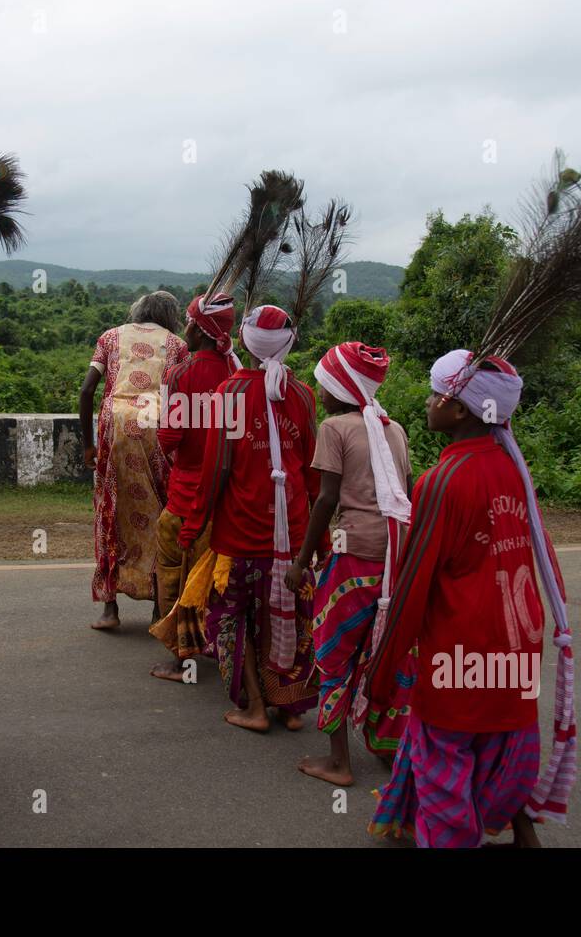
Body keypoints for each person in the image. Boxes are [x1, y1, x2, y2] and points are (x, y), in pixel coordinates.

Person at [365, 350, 576, 847]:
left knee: (446, 762)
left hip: (459, 655)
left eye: (436, 393)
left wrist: (380, 672)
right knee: (495, 746)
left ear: (459, 410)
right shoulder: (513, 470)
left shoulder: (442, 481)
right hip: (516, 647)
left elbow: (412, 585)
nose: (428, 401)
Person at [178, 305, 319, 732]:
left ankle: (256, 707)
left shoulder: (230, 394)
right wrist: (321, 537)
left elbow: (217, 468)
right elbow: (312, 471)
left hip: (240, 535)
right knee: (287, 616)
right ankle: (289, 706)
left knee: (233, 618)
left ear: (245, 341)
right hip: (293, 534)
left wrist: (193, 523)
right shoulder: (302, 393)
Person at [284, 343, 412, 787]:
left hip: (353, 553)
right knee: (384, 652)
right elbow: (405, 494)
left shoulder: (335, 428)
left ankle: (339, 762)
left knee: (333, 652)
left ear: (339, 387)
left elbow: (326, 498)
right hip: (395, 556)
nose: (318, 392)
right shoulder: (392, 428)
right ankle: (388, 746)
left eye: (322, 383)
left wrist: (302, 561)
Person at [80, 291, 188, 631]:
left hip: (114, 428)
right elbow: (178, 398)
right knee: (160, 511)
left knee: (110, 511)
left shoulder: (111, 336)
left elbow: (86, 392)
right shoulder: (176, 345)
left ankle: (110, 609)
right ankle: (160, 607)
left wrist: (88, 444)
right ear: (170, 316)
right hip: (154, 427)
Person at [149, 292, 239, 680]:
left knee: (176, 573)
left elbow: (169, 438)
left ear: (199, 331)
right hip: (226, 498)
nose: (183, 327)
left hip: (187, 496)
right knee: (218, 577)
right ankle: (219, 650)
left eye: (188, 321)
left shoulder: (180, 374)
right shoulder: (237, 375)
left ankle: (181, 657)